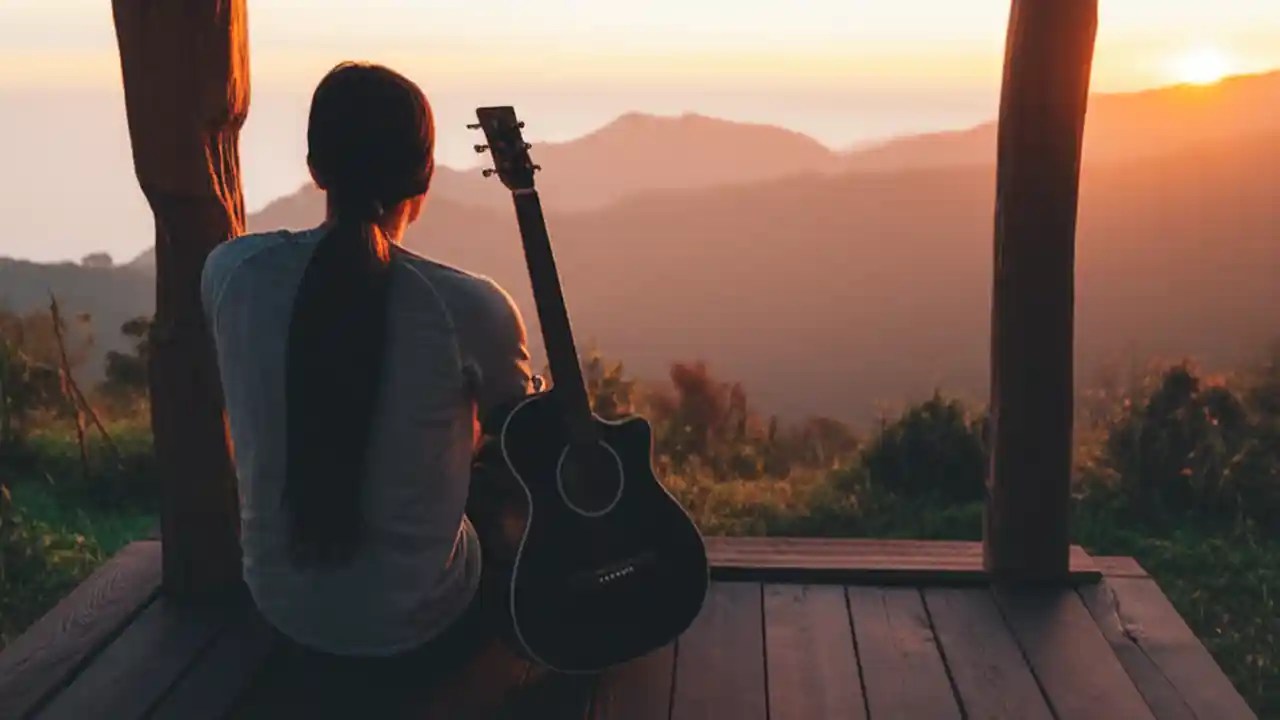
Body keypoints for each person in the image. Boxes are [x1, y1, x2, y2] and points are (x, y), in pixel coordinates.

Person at [200, 62, 533, 666]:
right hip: (426, 624)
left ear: (314, 168)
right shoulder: (471, 306)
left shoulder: (229, 275)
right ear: (425, 175)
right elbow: (529, 440)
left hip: (281, 608)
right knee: (507, 470)